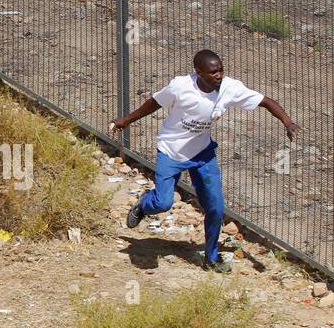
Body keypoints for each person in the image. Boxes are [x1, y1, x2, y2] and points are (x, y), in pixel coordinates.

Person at [112, 49, 300, 273]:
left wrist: (287, 122)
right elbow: (153, 103)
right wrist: (125, 120)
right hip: (171, 151)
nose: (219, 74)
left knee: (216, 209)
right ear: (198, 72)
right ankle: (143, 204)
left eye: (221, 69)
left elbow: (266, 101)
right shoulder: (180, 87)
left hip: (202, 154)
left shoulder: (230, 88)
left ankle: (210, 258)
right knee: (163, 203)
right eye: (213, 72)